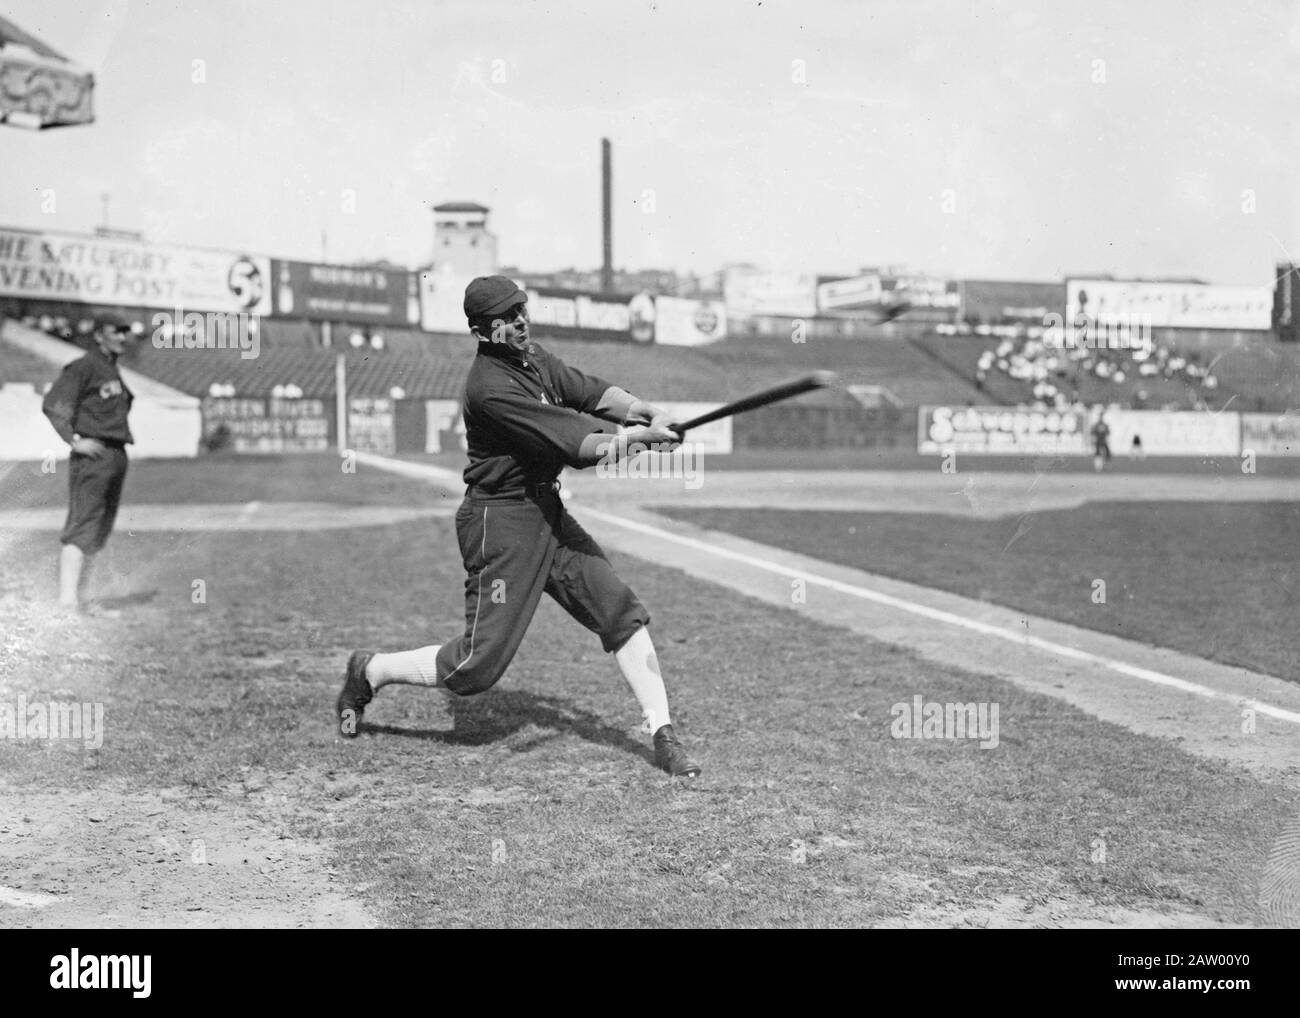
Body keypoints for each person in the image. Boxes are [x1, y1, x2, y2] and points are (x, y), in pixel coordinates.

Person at [337, 275, 701, 777]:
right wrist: (638, 441)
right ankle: (370, 670)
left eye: (522, 310)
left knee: (619, 610)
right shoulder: (489, 388)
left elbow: (586, 391)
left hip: (546, 513)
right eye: (509, 318)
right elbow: (576, 444)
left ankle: (662, 732)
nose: (521, 321)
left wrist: (640, 410)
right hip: (501, 522)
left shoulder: (531, 357)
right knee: (474, 669)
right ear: (485, 331)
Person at [41, 310, 135, 616]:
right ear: (98, 335)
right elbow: (54, 403)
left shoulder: (109, 369)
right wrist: (74, 439)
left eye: (125, 331)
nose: (122, 336)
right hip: (94, 455)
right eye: (115, 331)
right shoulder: (85, 366)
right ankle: (68, 603)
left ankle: (83, 599)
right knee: (83, 526)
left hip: (114, 454)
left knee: (98, 530)